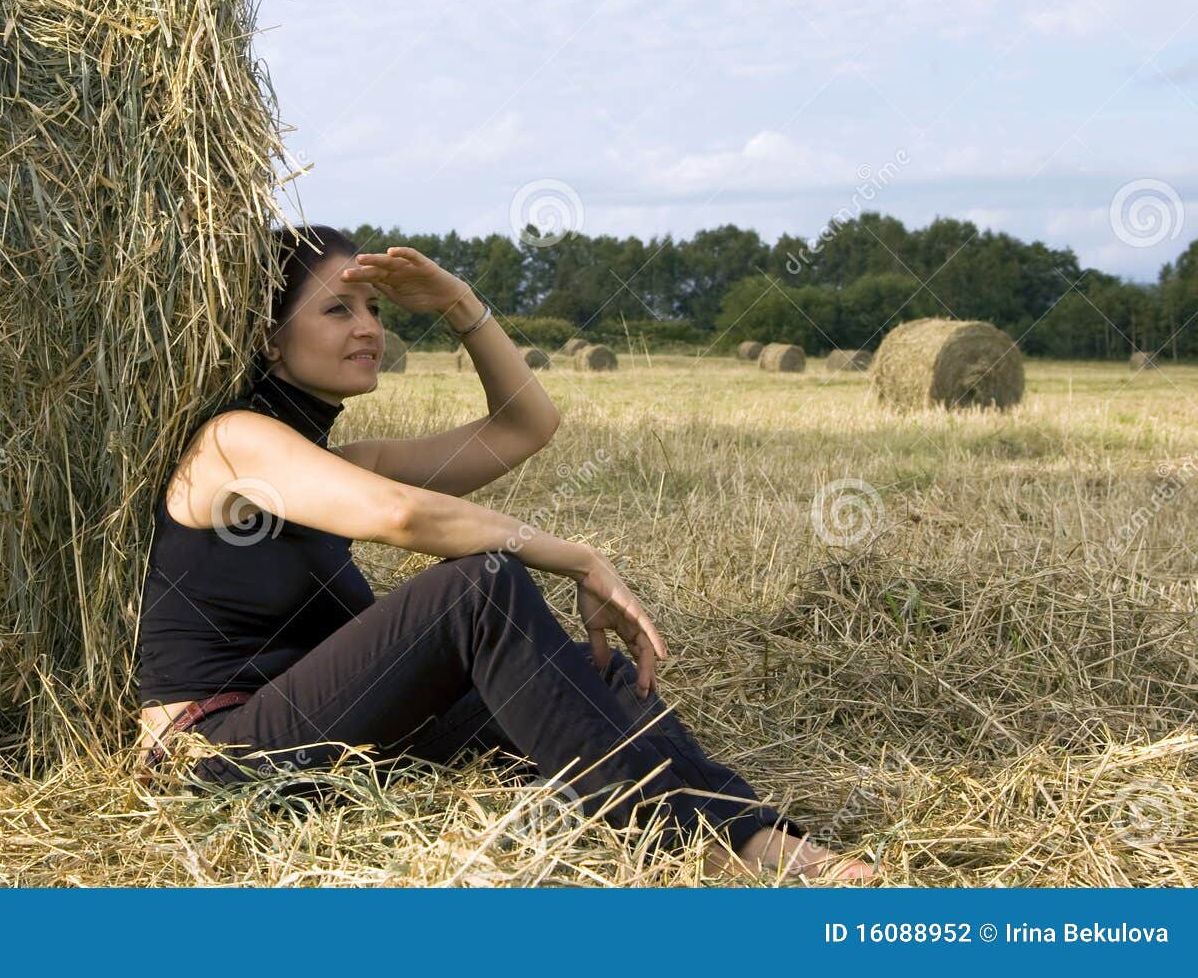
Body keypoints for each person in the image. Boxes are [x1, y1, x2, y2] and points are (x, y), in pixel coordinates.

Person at [135, 224, 878, 883]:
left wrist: (458, 300)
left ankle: (753, 837)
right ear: (269, 337)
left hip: (334, 744)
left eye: (375, 310)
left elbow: (525, 423)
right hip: (222, 755)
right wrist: (576, 556)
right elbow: (401, 515)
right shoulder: (232, 443)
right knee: (480, 583)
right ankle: (678, 843)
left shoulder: (339, 460)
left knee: (593, 669)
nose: (369, 329)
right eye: (338, 308)